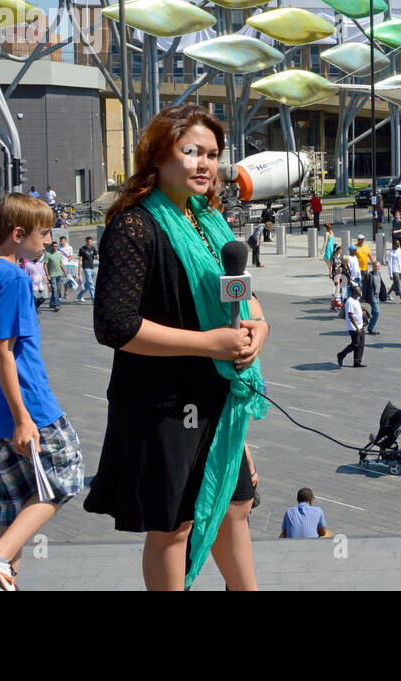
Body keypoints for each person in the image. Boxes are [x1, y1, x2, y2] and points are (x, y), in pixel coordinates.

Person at [86, 104, 268, 592]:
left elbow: (244, 299)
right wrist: (208, 344)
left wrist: (260, 329)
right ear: (159, 153)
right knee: (174, 525)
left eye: (212, 154)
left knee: (233, 506)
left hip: (218, 397)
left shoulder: (209, 225)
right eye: (191, 152)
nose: (204, 163)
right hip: (162, 402)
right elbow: (114, 325)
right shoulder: (134, 226)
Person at [0, 193, 85, 591]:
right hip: (25, 408)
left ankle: (0, 566)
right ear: (18, 234)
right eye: (44, 233)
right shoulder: (13, 278)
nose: (49, 241)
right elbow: (1, 354)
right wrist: (23, 417)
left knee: (13, 510)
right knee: (66, 475)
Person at [337, 284, 366, 368]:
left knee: (361, 344)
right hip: (353, 327)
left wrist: (362, 313)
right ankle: (341, 355)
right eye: (359, 290)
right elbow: (350, 316)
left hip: (360, 326)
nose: (361, 292)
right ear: (355, 292)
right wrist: (357, 328)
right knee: (355, 344)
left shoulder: (357, 300)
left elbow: (357, 311)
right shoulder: (350, 302)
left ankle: (357, 362)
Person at [43, 239, 65, 312]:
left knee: (57, 290)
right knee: (54, 290)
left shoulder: (58, 253)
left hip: (59, 274)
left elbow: (61, 263)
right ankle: (56, 305)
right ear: (51, 247)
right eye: (53, 246)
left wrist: (65, 272)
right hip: (52, 275)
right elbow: (45, 265)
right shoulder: (48, 254)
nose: (55, 247)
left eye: (56, 246)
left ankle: (52, 303)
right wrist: (47, 275)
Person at [387, 237, 401, 303]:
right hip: (394, 271)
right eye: (397, 244)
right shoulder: (391, 253)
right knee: (398, 285)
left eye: (399, 244)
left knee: (395, 284)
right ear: (394, 245)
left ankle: (388, 294)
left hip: (400, 270)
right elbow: (390, 264)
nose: (398, 245)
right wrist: (390, 274)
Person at [76, 235, 98, 302]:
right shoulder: (82, 249)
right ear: (86, 241)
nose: (89, 243)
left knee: (87, 284)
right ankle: (94, 300)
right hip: (86, 267)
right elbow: (80, 260)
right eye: (88, 241)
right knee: (91, 284)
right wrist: (79, 270)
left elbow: (97, 256)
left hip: (92, 268)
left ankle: (80, 295)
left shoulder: (93, 248)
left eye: (90, 241)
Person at [365, 259, 383, 334]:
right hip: (372, 296)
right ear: (372, 267)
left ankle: (369, 327)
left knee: (373, 312)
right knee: (376, 312)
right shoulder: (369, 275)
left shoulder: (379, 274)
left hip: (377, 296)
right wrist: (364, 297)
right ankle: (371, 328)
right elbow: (365, 287)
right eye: (375, 266)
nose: (377, 268)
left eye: (378, 266)